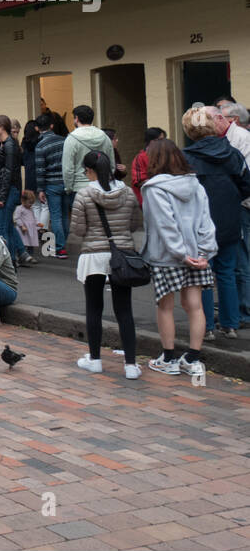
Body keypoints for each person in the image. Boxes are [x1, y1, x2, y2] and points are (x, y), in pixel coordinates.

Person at [142, 138, 216, 377]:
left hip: (167, 256)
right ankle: (193, 357)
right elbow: (206, 221)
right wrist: (203, 252)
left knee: (165, 306)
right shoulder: (195, 185)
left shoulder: (154, 188)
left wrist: (180, 254)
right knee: (195, 306)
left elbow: (165, 226)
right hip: (197, 254)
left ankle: (169, 357)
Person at [67, 151, 143, 379]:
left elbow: (78, 230)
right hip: (121, 255)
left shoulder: (83, 195)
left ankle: (95, 359)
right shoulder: (128, 193)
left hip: (93, 255)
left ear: (89, 170)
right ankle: (130, 364)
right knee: (124, 310)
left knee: (94, 308)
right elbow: (134, 224)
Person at [182, 106, 250, 340]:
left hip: (199, 224)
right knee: (227, 272)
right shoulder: (233, 154)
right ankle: (230, 324)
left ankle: (207, 325)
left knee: (203, 275)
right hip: (230, 220)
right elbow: (246, 185)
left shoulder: (187, 157)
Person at [0, 115, 27, 266]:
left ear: (2, 127)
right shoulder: (3, 144)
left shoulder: (9, 145)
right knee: (7, 226)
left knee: (1, 227)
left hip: (8, 190)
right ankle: (10, 259)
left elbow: (9, 172)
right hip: (4, 190)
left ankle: (4, 261)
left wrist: (1, 197)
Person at [34, 113, 69, 258]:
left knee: (55, 216)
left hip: (51, 184)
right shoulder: (64, 141)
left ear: (37, 128)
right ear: (52, 126)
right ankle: (63, 244)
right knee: (65, 215)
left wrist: (40, 189)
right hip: (66, 183)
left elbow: (40, 170)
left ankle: (59, 248)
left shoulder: (40, 146)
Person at [62, 105, 115, 197]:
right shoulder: (105, 138)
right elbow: (111, 164)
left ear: (77, 118)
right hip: (103, 186)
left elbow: (68, 169)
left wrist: (68, 188)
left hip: (79, 187)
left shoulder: (71, 139)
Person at [129, 127, 166, 206]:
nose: (163, 143)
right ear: (151, 141)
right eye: (160, 140)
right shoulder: (140, 158)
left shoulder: (167, 156)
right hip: (149, 201)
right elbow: (139, 181)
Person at [14, 190, 40, 263]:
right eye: (29, 203)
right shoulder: (20, 208)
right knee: (24, 244)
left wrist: (37, 223)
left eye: (32, 203)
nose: (31, 205)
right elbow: (17, 218)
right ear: (23, 200)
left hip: (31, 230)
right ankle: (21, 257)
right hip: (24, 230)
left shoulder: (31, 209)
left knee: (31, 244)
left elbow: (33, 217)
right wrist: (22, 225)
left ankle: (30, 257)